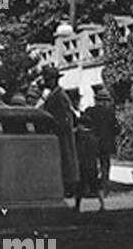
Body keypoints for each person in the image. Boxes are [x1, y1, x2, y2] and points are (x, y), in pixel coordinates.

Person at [37, 66, 79, 198]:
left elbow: (64, 117)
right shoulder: (53, 94)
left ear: (55, 80)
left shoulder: (59, 96)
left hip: (61, 133)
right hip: (56, 132)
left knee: (65, 158)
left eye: (49, 79)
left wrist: (57, 128)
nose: (47, 82)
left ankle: (68, 186)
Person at [81, 85, 119, 202]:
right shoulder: (110, 113)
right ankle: (104, 188)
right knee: (104, 166)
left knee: (93, 166)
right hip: (106, 143)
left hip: (93, 142)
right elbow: (116, 128)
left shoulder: (89, 111)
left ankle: (92, 188)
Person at [74, 121, 103, 214]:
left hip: (83, 164)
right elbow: (97, 152)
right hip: (92, 163)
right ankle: (102, 204)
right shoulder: (94, 138)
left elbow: (80, 151)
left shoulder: (81, 138)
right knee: (96, 185)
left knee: (80, 186)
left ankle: (77, 205)